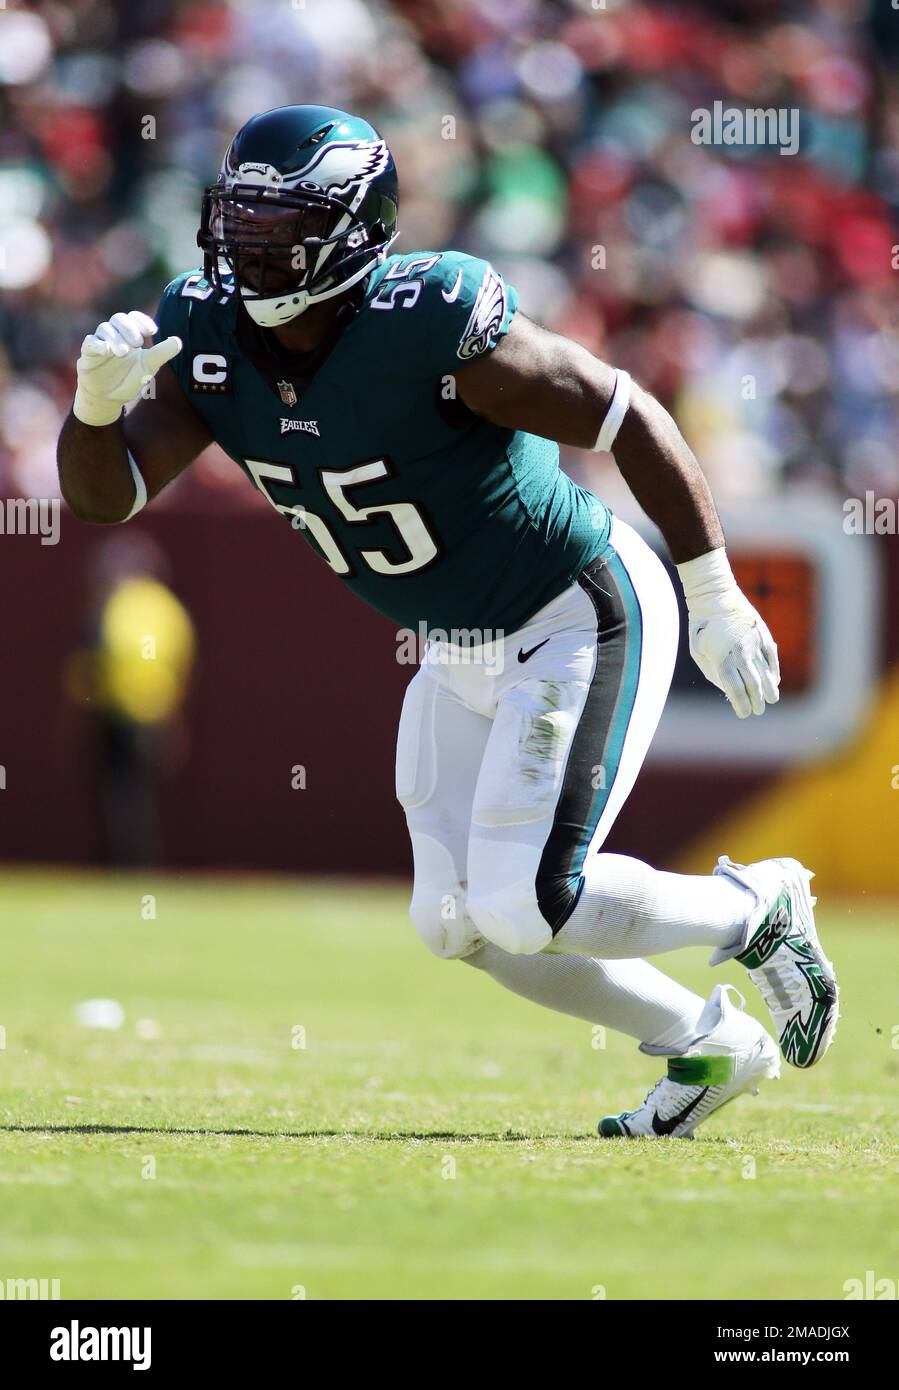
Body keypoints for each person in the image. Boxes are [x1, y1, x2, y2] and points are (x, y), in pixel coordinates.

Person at [57, 104, 838, 1138]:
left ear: (349, 229)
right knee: (455, 923)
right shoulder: (205, 338)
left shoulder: (429, 323)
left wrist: (710, 587)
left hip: (576, 608)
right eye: (237, 218)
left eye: (277, 221)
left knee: (527, 902)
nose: (247, 245)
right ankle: (706, 1040)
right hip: (457, 644)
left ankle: (756, 910)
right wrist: (93, 410)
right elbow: (106, 498)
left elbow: (625, 414)